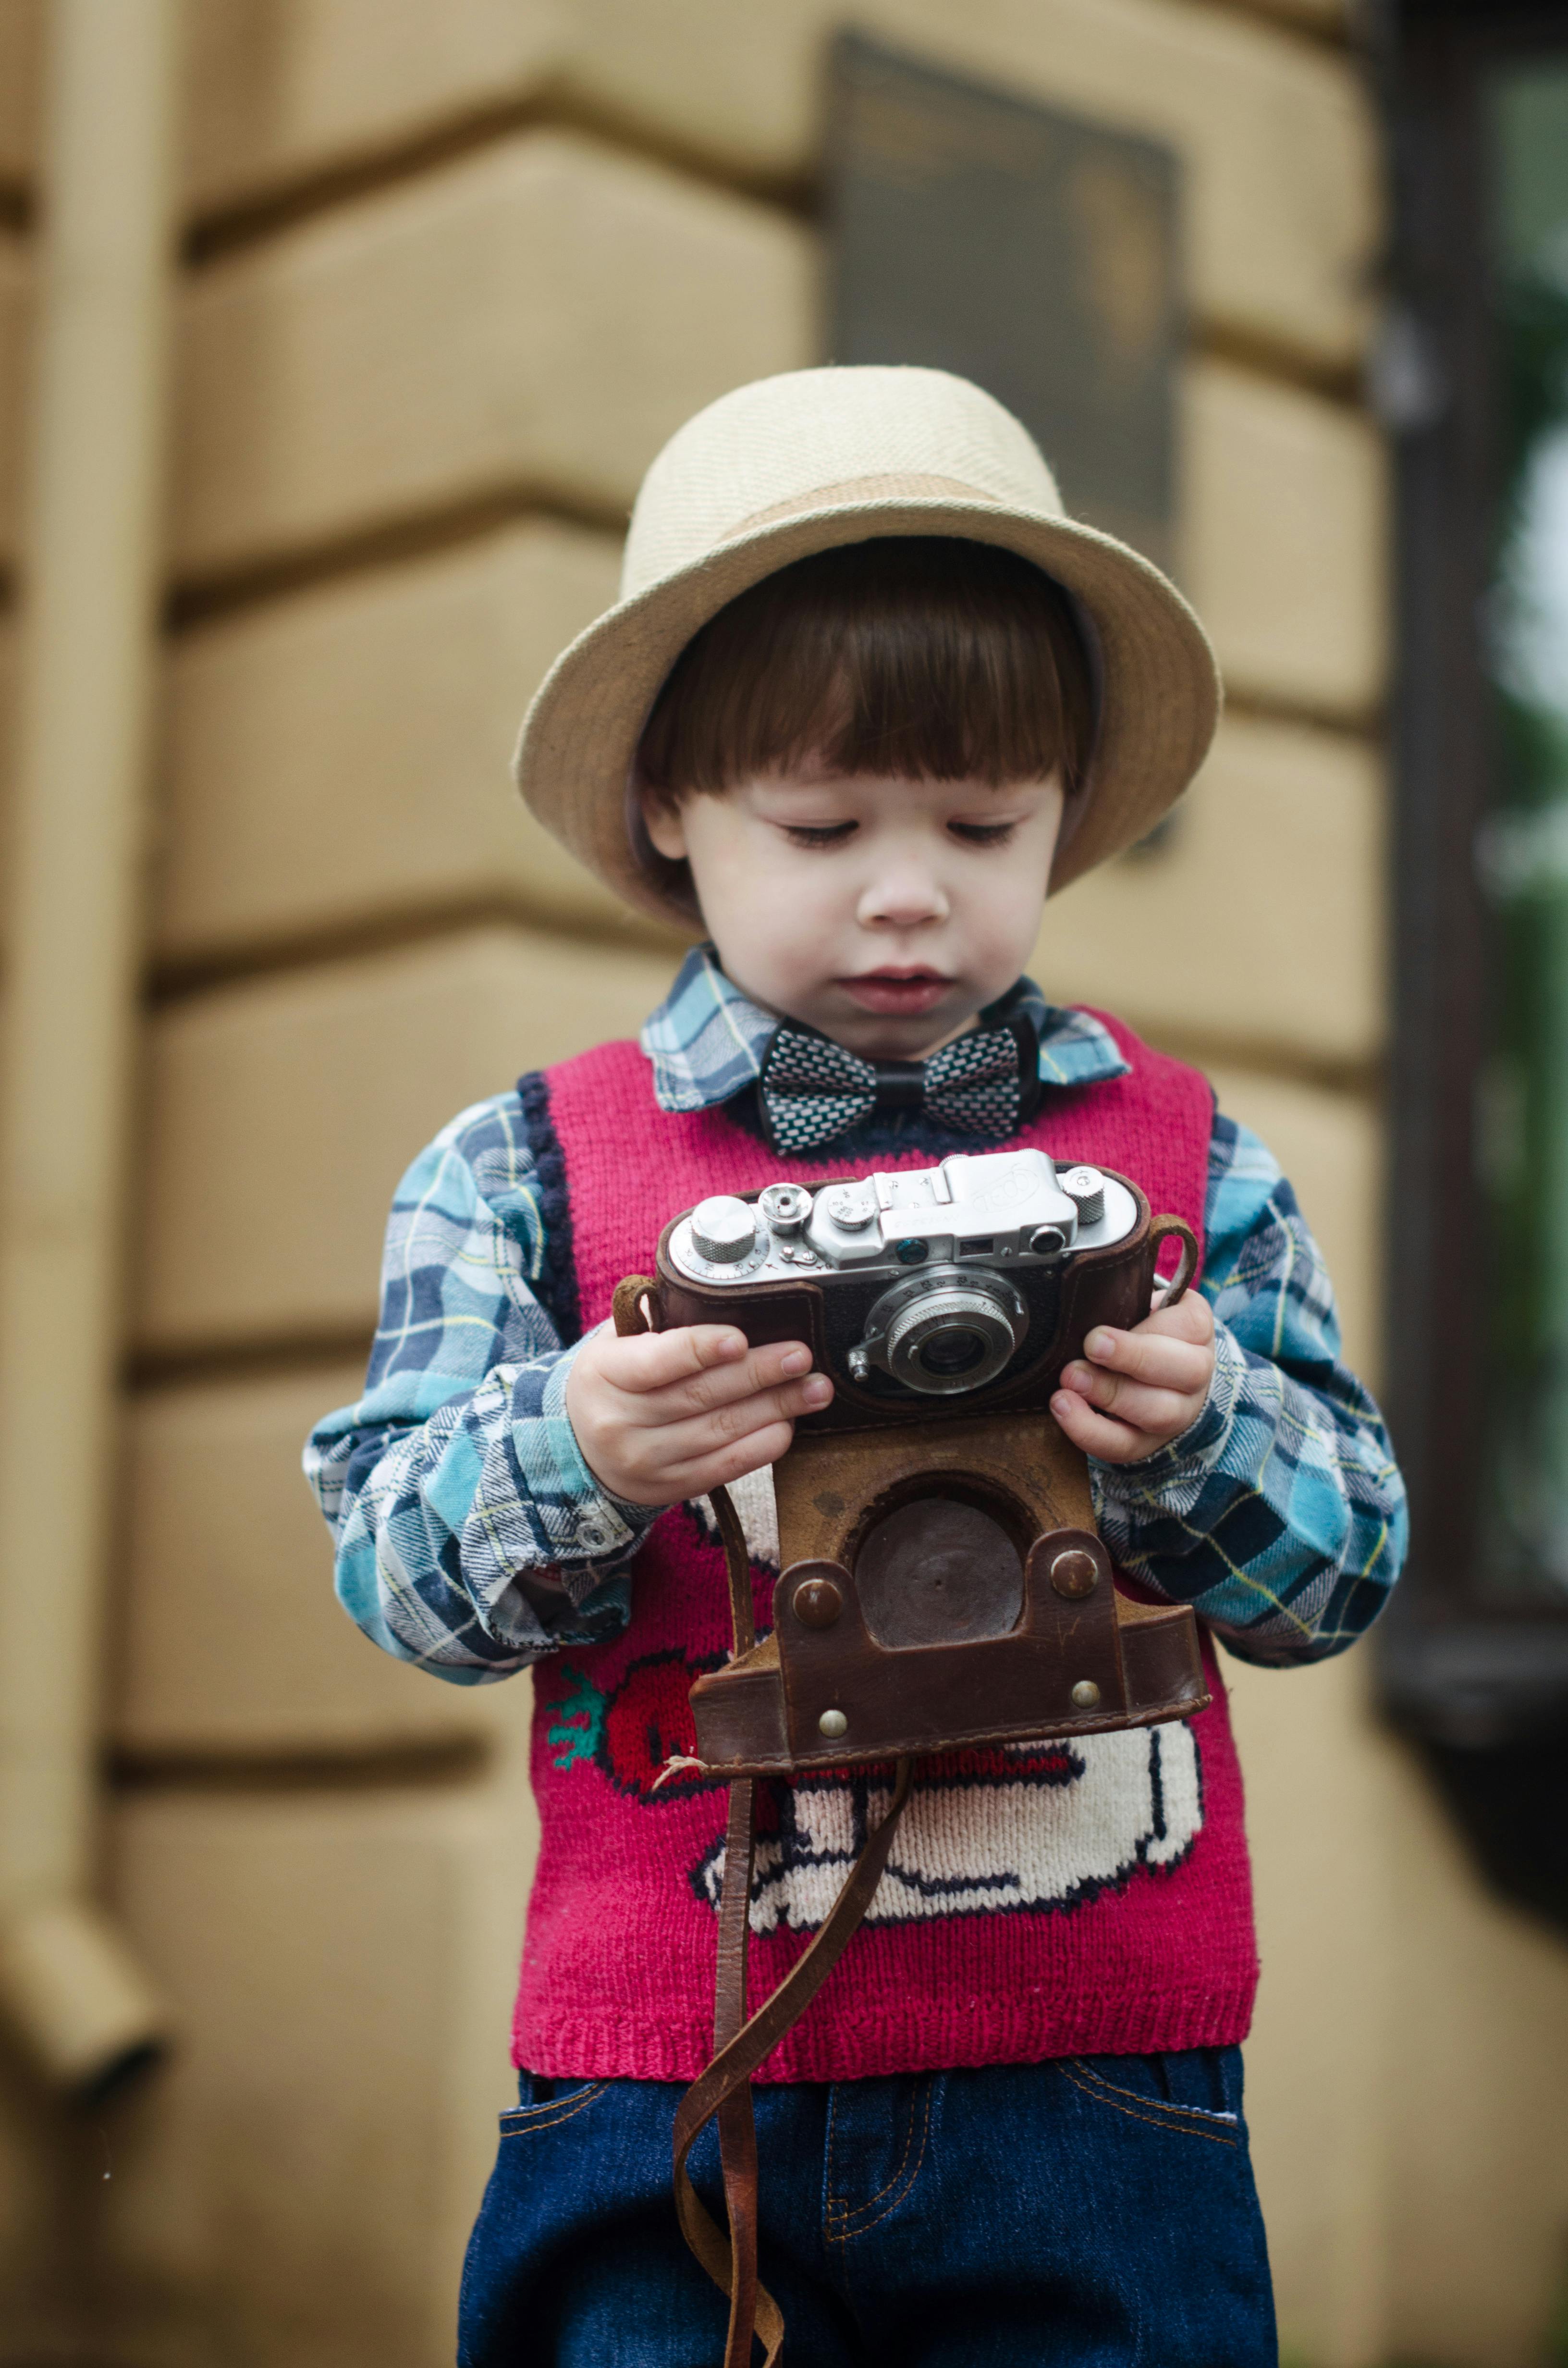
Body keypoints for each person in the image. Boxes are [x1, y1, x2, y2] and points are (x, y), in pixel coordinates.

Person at [305, 366, 1406, 2368]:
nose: (909, 889)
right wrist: (580, 1444)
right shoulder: (522, 1172)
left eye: (984, 823)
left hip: (1099, 2070)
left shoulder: (1188, 1161)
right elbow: (393, 1574)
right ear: (670, 805)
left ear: (1067, 812)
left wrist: (1209, 1428)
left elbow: (1344, 1575)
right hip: (666, 2068)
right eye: (822, 823)